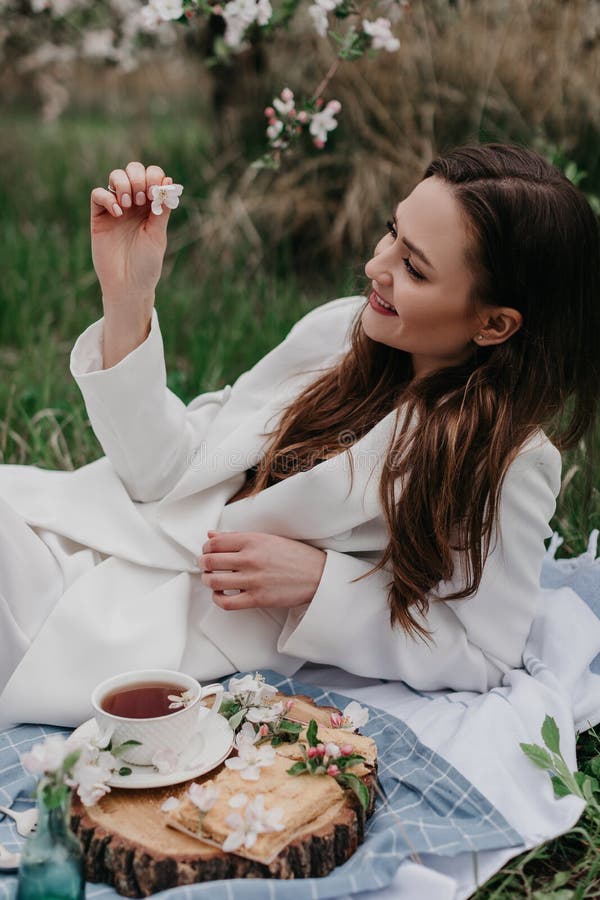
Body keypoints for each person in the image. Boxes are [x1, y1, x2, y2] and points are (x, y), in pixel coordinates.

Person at [0, 142, 598, 728]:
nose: (375, 266)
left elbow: (483, 654)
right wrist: (128, 295)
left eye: (413, 267)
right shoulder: (340, 330)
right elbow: (164, 472)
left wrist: (320, 585)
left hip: (143, 622)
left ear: (494, 324)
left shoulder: (506, 458)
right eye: (392, 232)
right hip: (88, 530)